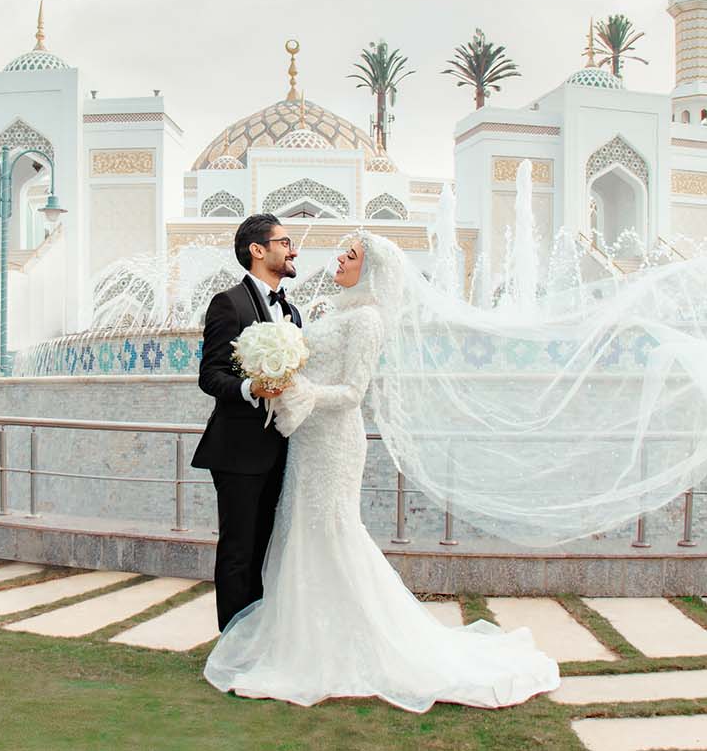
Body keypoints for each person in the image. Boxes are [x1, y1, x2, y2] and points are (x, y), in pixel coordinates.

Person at [203, 231, 560, 711]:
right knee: (295, 537)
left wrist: (302, 393)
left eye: (350, 256)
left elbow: (353, 392)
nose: (338, 259)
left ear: (368, 270)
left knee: (331, 534)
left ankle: (347, 645)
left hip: (333, 443)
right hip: (302, 443)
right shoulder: (326, 311)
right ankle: (299, 638)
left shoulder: (368, 319)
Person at [192, 213, 302, 631]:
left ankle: (258, 638)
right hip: (238, 451)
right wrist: (250, 388)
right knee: (238, 550)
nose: (293, 251)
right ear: (258, 250)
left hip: (281, 449)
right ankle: (232, 643)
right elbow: (210, 376)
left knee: (265, 550)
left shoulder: (291, 311)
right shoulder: (229, 303)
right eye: (284, 242)